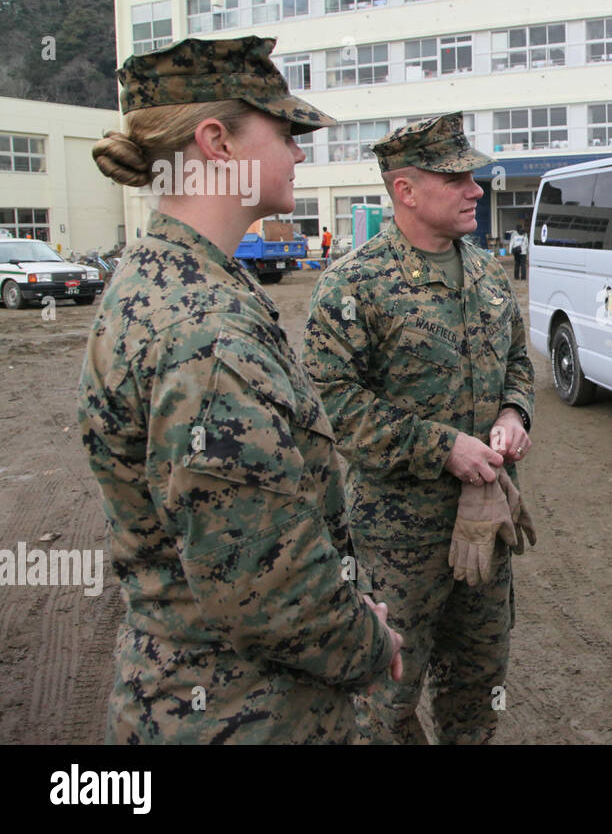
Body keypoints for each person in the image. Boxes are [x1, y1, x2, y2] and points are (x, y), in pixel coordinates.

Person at [78, 36, 402, 744]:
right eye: (285, 132)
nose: (299, 152)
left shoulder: (166, 278)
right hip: (243, 715)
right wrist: (370, 642)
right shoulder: (207, 329)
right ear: (217, 142)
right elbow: (267, 593)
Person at [302, 112, 535, 745]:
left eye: (473, 175)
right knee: (388, 694)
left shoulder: (487, 273)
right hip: (398, 539)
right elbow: (334, 404)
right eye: (456, 177)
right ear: (406, 190)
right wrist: (442, 447)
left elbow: (518, 362)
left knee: (479, 681)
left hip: (483, 527)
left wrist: (514, 414)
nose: (476, 189)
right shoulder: (352, 285)